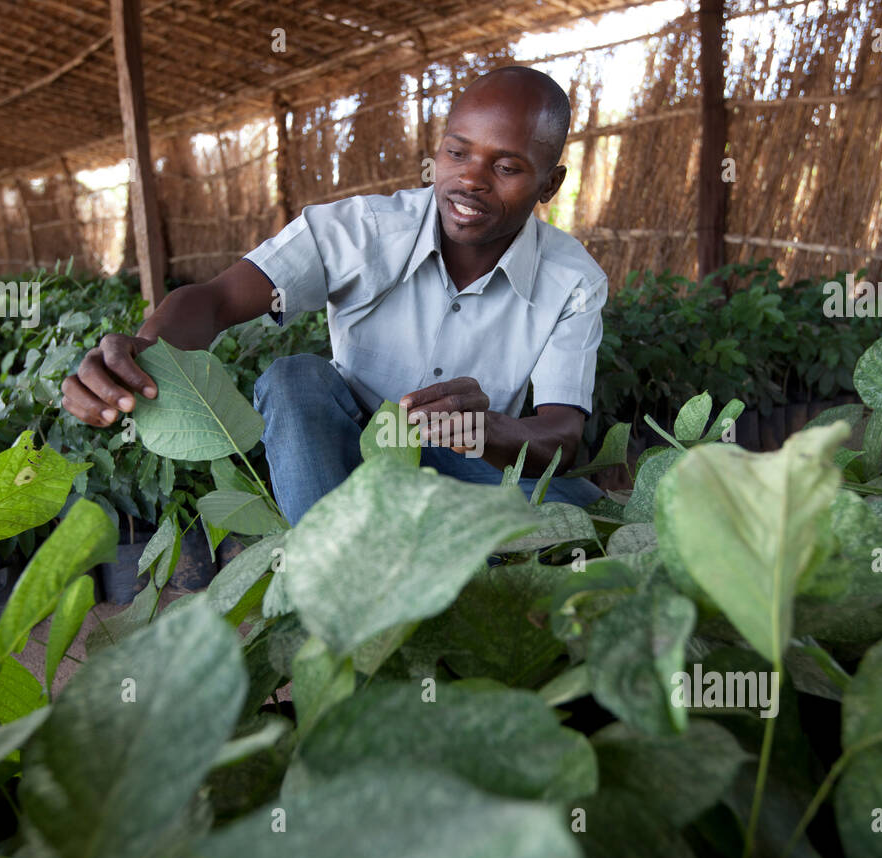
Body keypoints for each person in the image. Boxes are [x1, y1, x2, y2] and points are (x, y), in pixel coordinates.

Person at [62, 65, 607, 526]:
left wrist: (486, 431)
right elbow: (218, 299)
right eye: (457, 153)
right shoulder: (360, 230)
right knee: (293, 379)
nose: (471, 180)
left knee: (584, 512)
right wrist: (142, 349)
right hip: (341, 461)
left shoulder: (573, 281)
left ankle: (408, 568)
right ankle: (325, 569)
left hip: (461, 474)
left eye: (507, 167)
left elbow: (560, 435)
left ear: (550, 185)